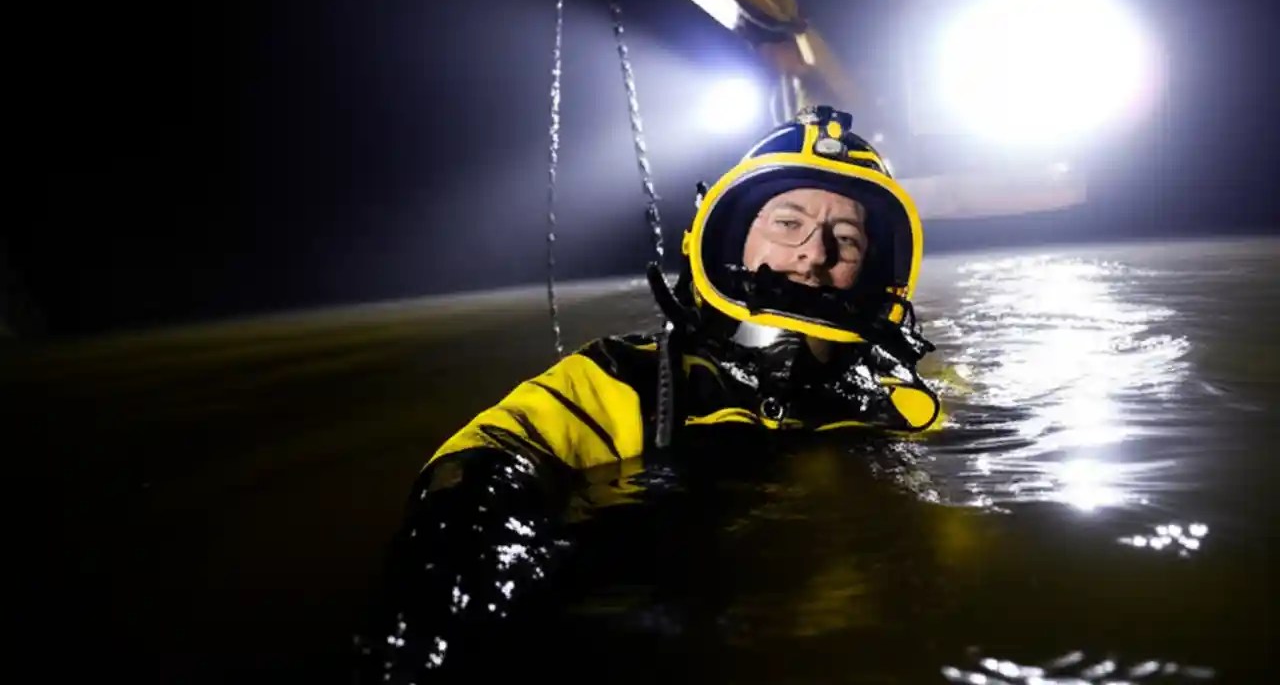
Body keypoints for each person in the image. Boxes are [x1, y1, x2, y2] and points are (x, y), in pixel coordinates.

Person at [354, 105, 941, 682]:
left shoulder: (897, 399)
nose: (815, 254)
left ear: (869, 271)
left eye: (847, 239)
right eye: (788, 224)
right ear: (732, 239)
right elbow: (485, 460)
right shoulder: (623, 378)